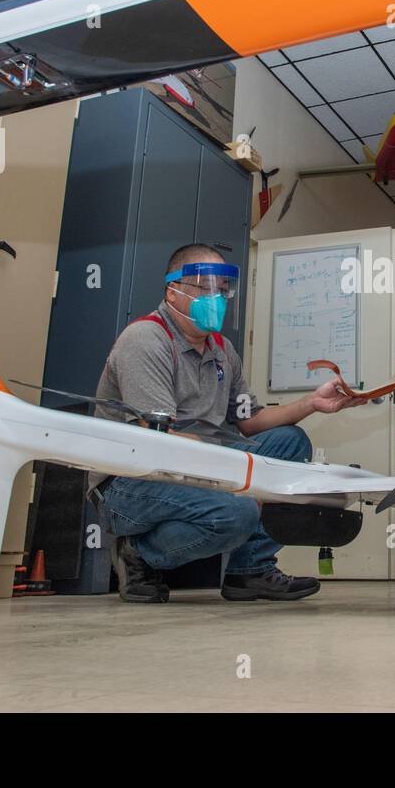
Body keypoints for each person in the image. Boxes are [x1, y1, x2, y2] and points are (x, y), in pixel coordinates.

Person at [90, 243, 364, 603]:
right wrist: (236, 479)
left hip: (196, 464)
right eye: (204, 289)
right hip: (131, 480)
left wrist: (312, 403)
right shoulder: (145, 340)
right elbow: (158, 440)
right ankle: (138, 555)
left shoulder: (222, 350)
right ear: (172, 291)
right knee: (238, 511)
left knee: (289, 442)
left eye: (221, 291)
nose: (215, 299)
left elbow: (249, 423)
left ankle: (248, 571)